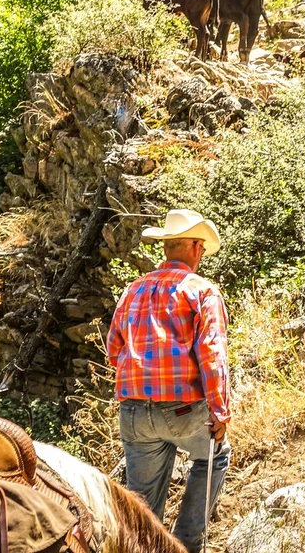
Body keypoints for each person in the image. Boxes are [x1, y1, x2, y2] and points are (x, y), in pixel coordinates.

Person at [105, 209, 231, 553]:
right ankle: (186, 544)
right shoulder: (203, 291)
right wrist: (219, 411)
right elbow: (211, 354)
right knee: (215, 455)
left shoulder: (132, 290)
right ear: (195, 247)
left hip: (134, 412)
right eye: (201, 247)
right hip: (183, 409)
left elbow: (113, 350)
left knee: (142, 506)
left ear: (167, 246)